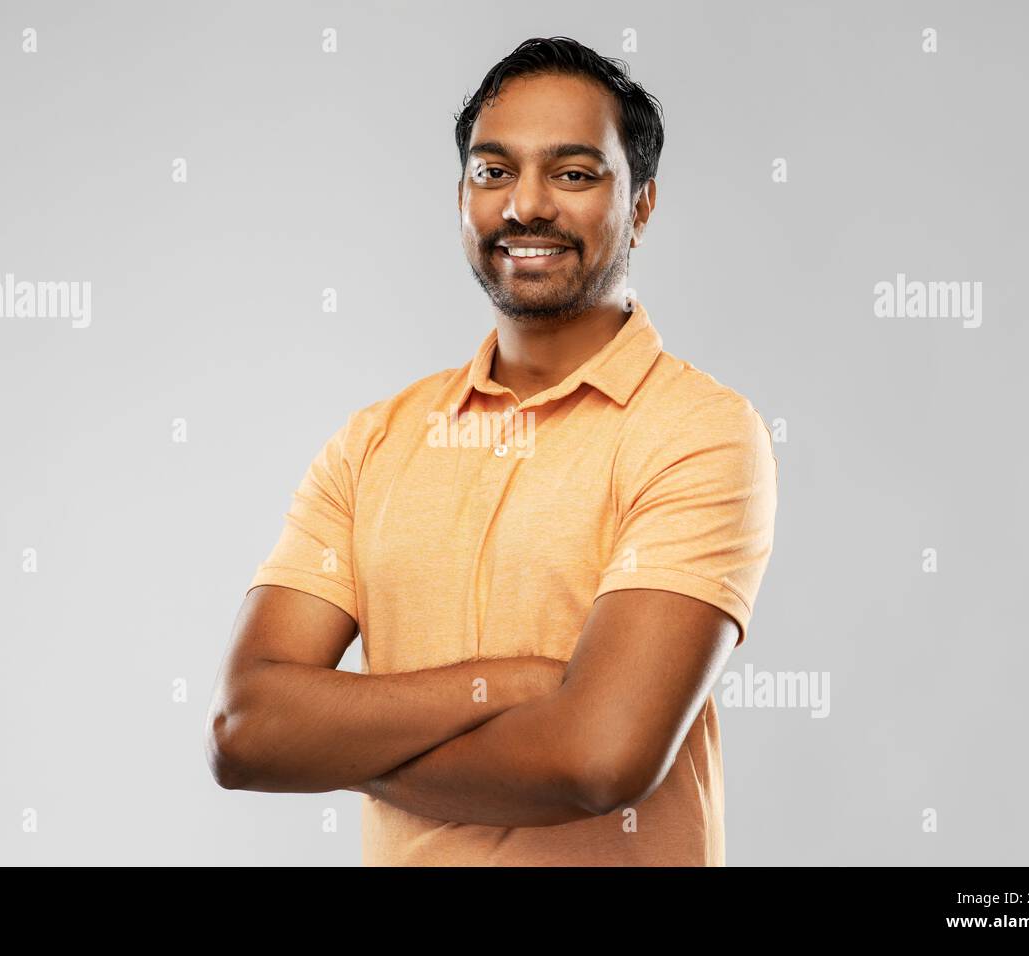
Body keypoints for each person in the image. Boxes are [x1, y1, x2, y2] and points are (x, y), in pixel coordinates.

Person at [206, 36, 778, 866]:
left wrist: (340, 744)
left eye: (574, 174)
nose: (526, 207)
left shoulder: (699, 433)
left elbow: (597, 758)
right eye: (493, 171)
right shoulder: (373, 443)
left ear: (642, 207)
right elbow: (246, 731)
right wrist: (518, 685)